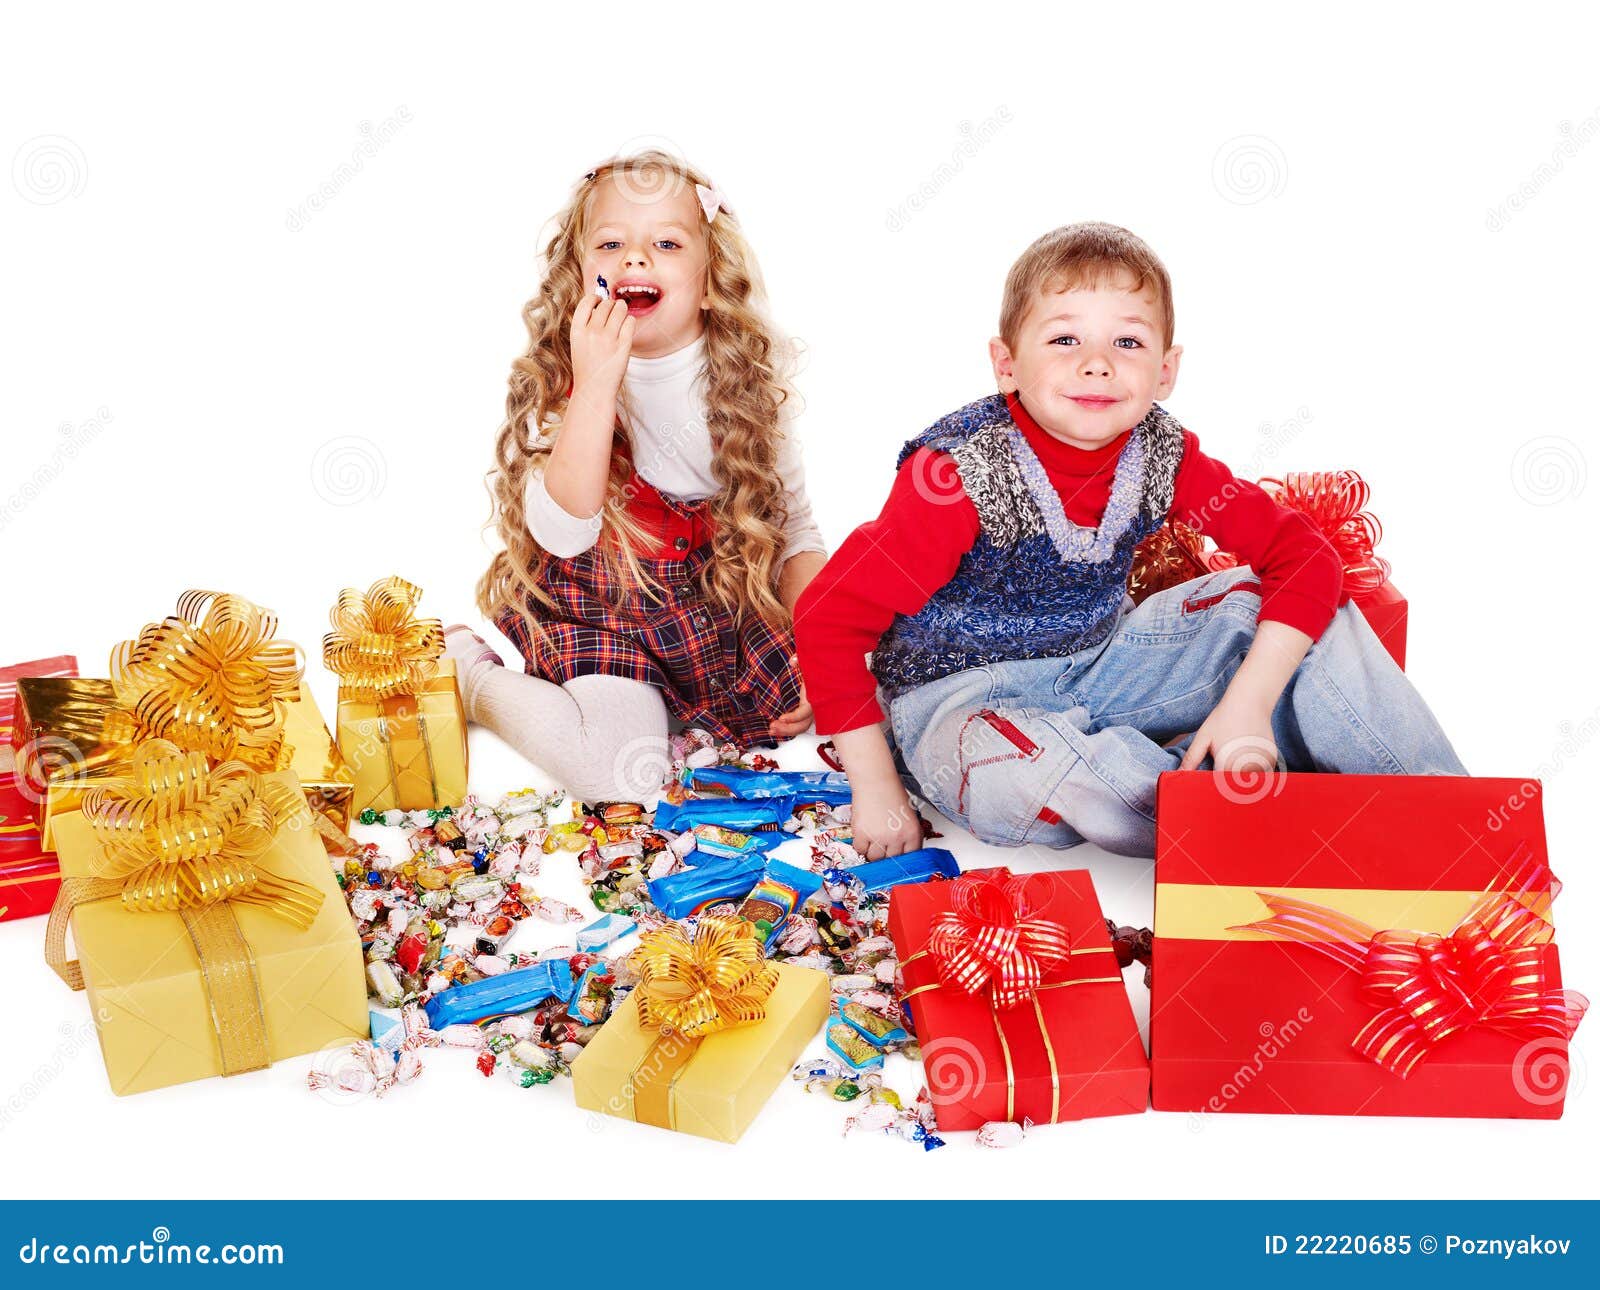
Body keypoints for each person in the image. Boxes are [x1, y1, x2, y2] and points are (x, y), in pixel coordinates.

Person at [794, 222, 1464, 859]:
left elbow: (1304, 555)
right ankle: (1255, 818)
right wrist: (876, 785)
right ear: (1006, 363)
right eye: (1064, 341)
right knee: (1022, 771)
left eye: (1128, 343)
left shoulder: (1161, 454)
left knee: (1282, 605)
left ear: (1166, 370)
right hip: (963, 700)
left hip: (1104, 662)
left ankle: (1448, 825)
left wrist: (1248, 699)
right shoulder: (957, 475)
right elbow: (829, 617)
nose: (1096, 366)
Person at [448, 151, 827, 804]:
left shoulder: (745, 384)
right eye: (613, 243)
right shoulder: (565, 374)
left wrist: (821, 656)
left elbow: (795, 530)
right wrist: (596, 380)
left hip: (713, 600)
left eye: (667, 243)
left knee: (845, 676)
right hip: (607, 602)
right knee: (615, 774)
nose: (636, 259)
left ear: (709, 281)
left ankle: (680, 689)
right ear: (581, 273)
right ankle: (470, 677)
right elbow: (562, 535)